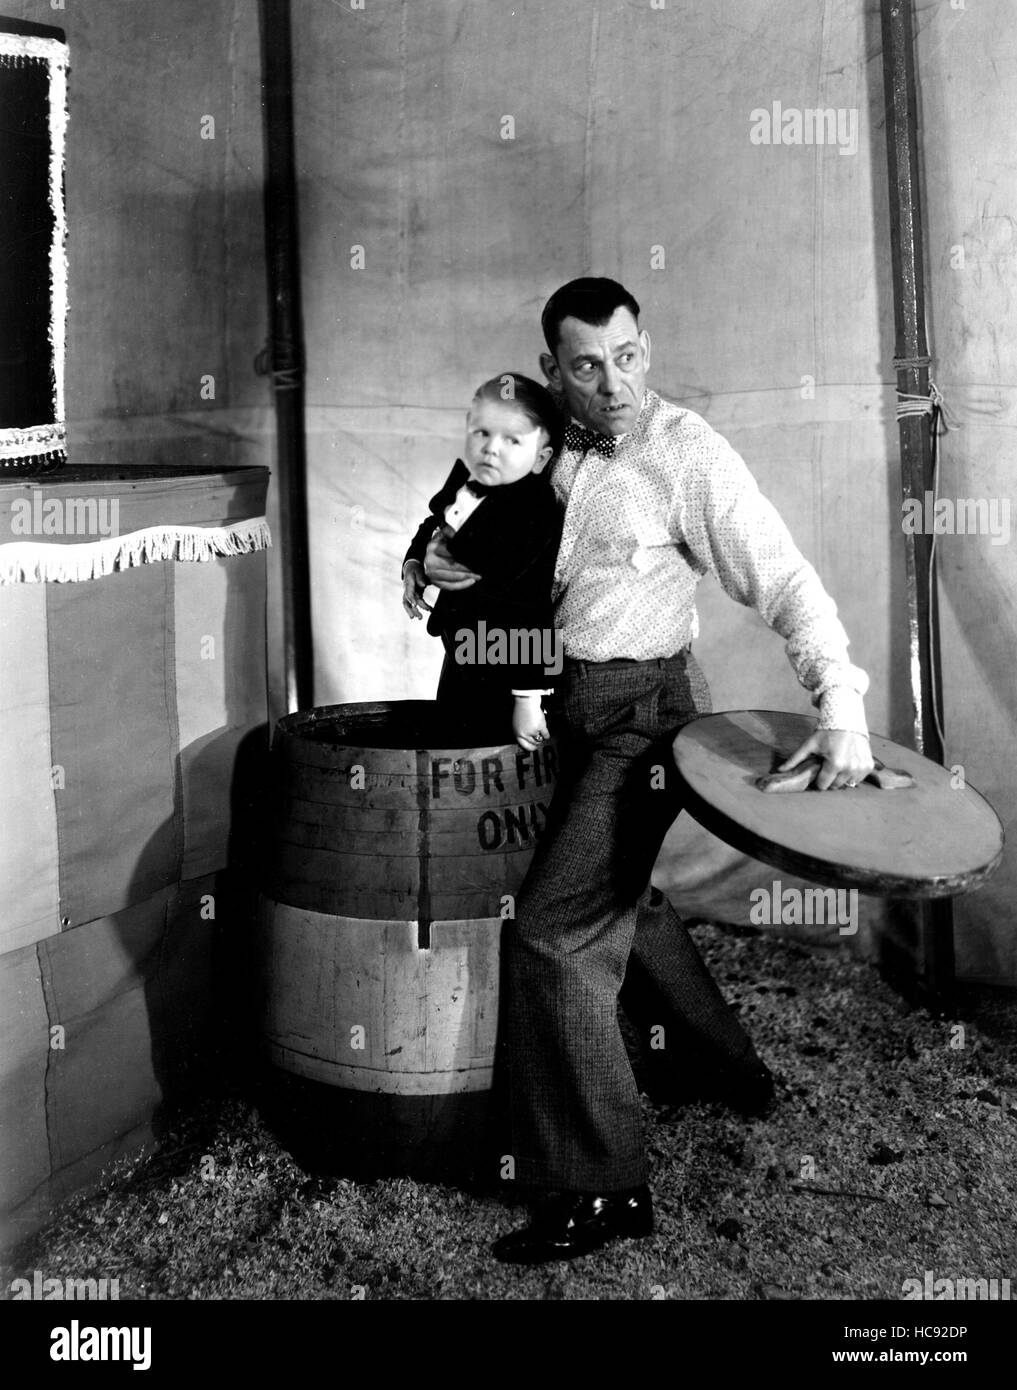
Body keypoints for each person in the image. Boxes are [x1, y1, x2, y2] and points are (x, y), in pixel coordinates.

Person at [423, 278, 875, 1264]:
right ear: (554, 371)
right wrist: (433, 566)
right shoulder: (544, 439)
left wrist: (841, 702)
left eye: (628, 355)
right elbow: (475, 520)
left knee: (553, 934)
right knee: (631, 896)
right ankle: (724, 1068)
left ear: (647, 346)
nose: (614, 382)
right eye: (587, 365)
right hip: (553, 704)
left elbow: (782, 575)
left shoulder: (685, 452)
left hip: (641, 715)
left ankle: (601, 1188)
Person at [401, 372, 564, 750]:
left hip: (509, 664)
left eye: (512, 440)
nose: (492, 449)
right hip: (463, 652)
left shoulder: (535, 511)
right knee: (453, 744)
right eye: (482, 433)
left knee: (493, 756)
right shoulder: (470, 488)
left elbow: (532, 608)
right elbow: (434, 525)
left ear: (540, 458)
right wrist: (414, 564)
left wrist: (528, 699)